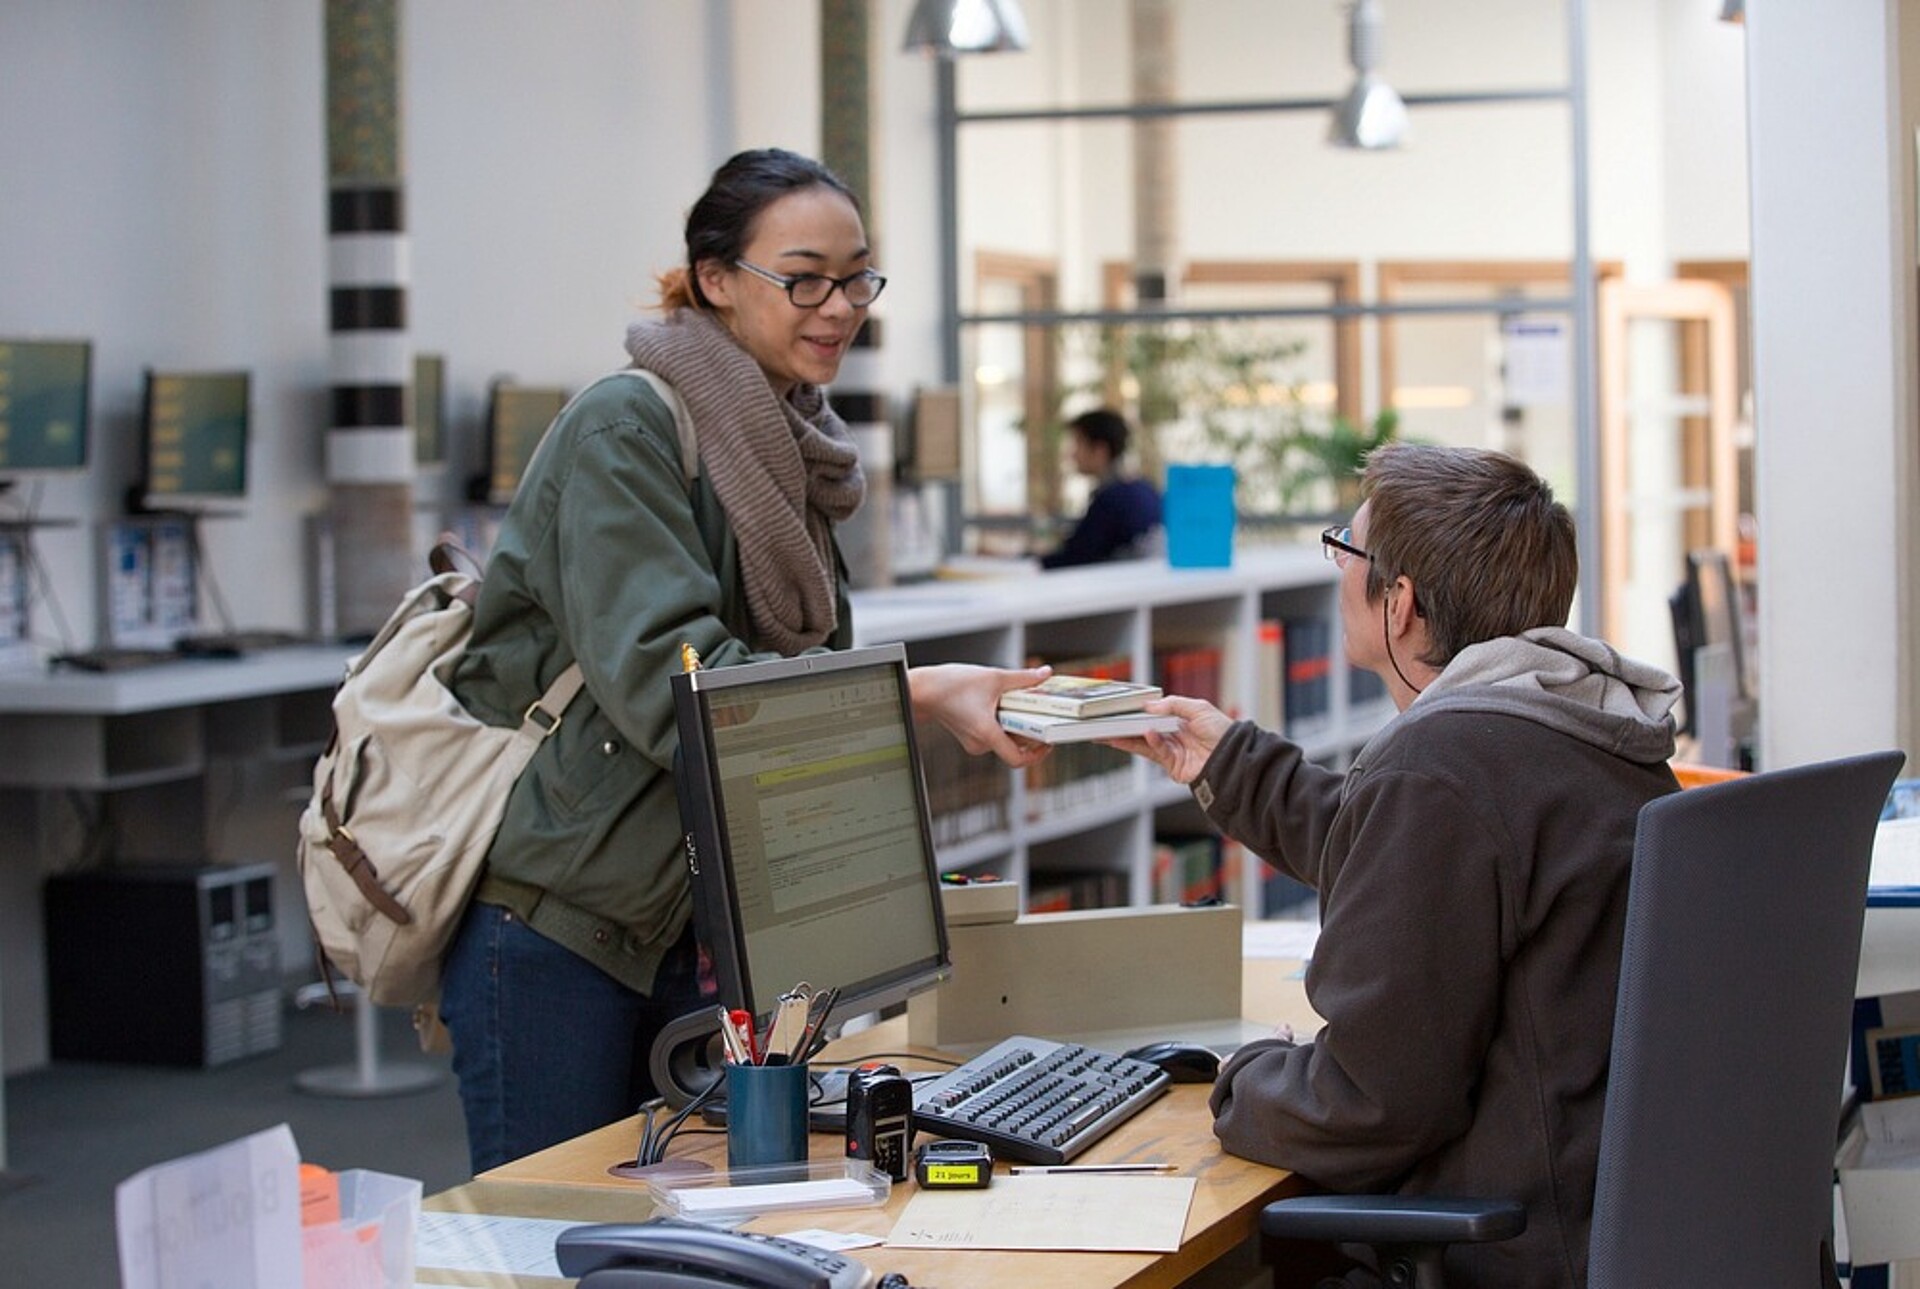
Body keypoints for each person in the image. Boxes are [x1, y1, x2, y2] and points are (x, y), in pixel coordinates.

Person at [438, 148, 1048, 1174]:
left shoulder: (789, 442)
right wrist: (923, 691)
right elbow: (680, 683)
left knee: (713, 1223)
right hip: (563, 927)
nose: (839, 306)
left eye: (856, 278)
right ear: (715, 279)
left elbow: (808, 668)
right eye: (803, 278)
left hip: (707, 927)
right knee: (554, 1226)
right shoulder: (625, 427)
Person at [1114, 444, 1682, 1289]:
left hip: (1515, 1253)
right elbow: (1405, 860)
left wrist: (1239, 1077)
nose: (1338, 568)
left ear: (1401, 602)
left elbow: (1365, 1107)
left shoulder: (1441, 769)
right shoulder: (1575, 727)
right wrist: (1226, 762)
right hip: (1611, 1227)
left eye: (1345, 548)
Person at [1039, 407, 1162, 568]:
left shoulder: (1112, 499)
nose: (1072, 454)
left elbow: (1076, 556)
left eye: (1077, 443)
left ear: (1100, 450)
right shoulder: (1145, 488)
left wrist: (1030, 561)